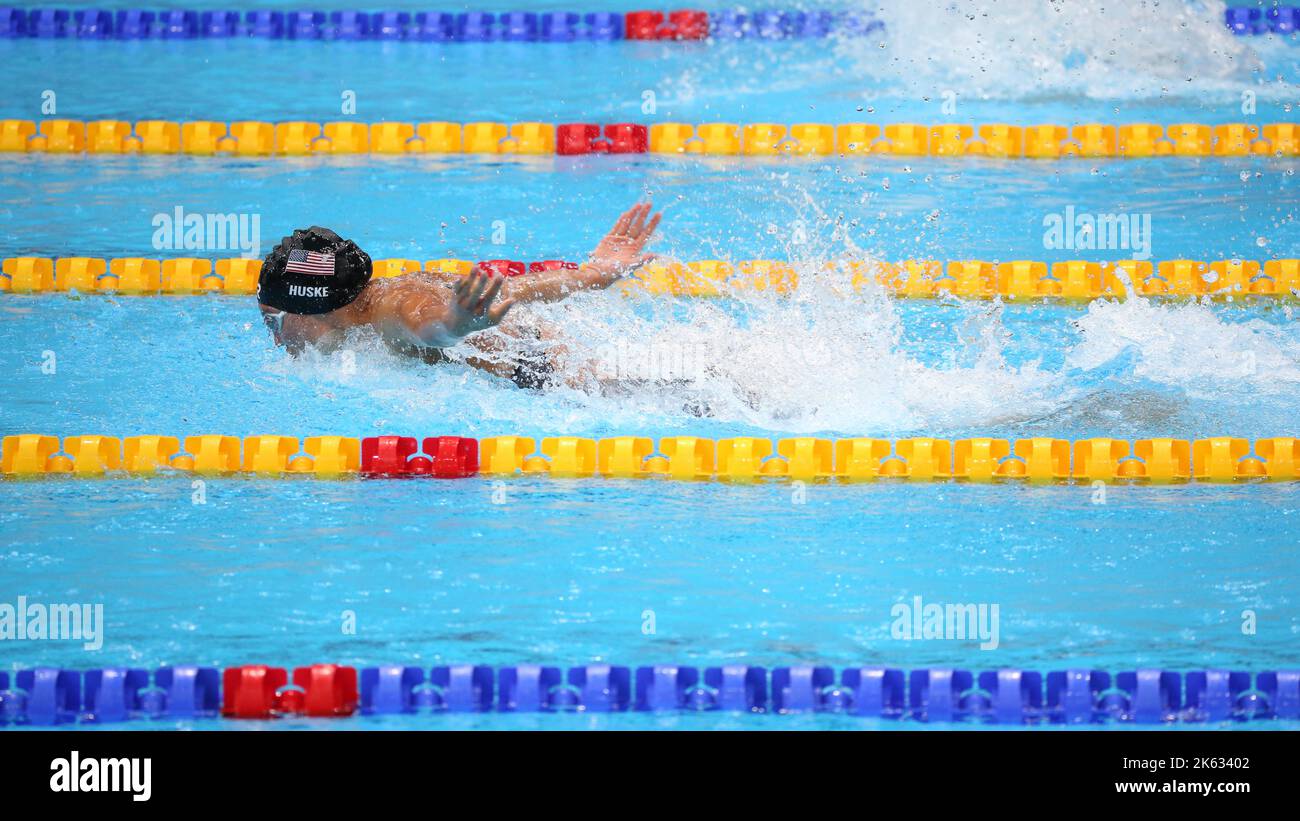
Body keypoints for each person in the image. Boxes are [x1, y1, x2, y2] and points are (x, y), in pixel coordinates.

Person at [257, 203, 662, 389]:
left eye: (273, 316)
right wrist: (592, 275)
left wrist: (458, 325)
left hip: (547, 373)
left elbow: (433, 327)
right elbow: (510, 289)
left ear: (314, 309)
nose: (274, 332)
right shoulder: (332, 317)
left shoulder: (391, 306)